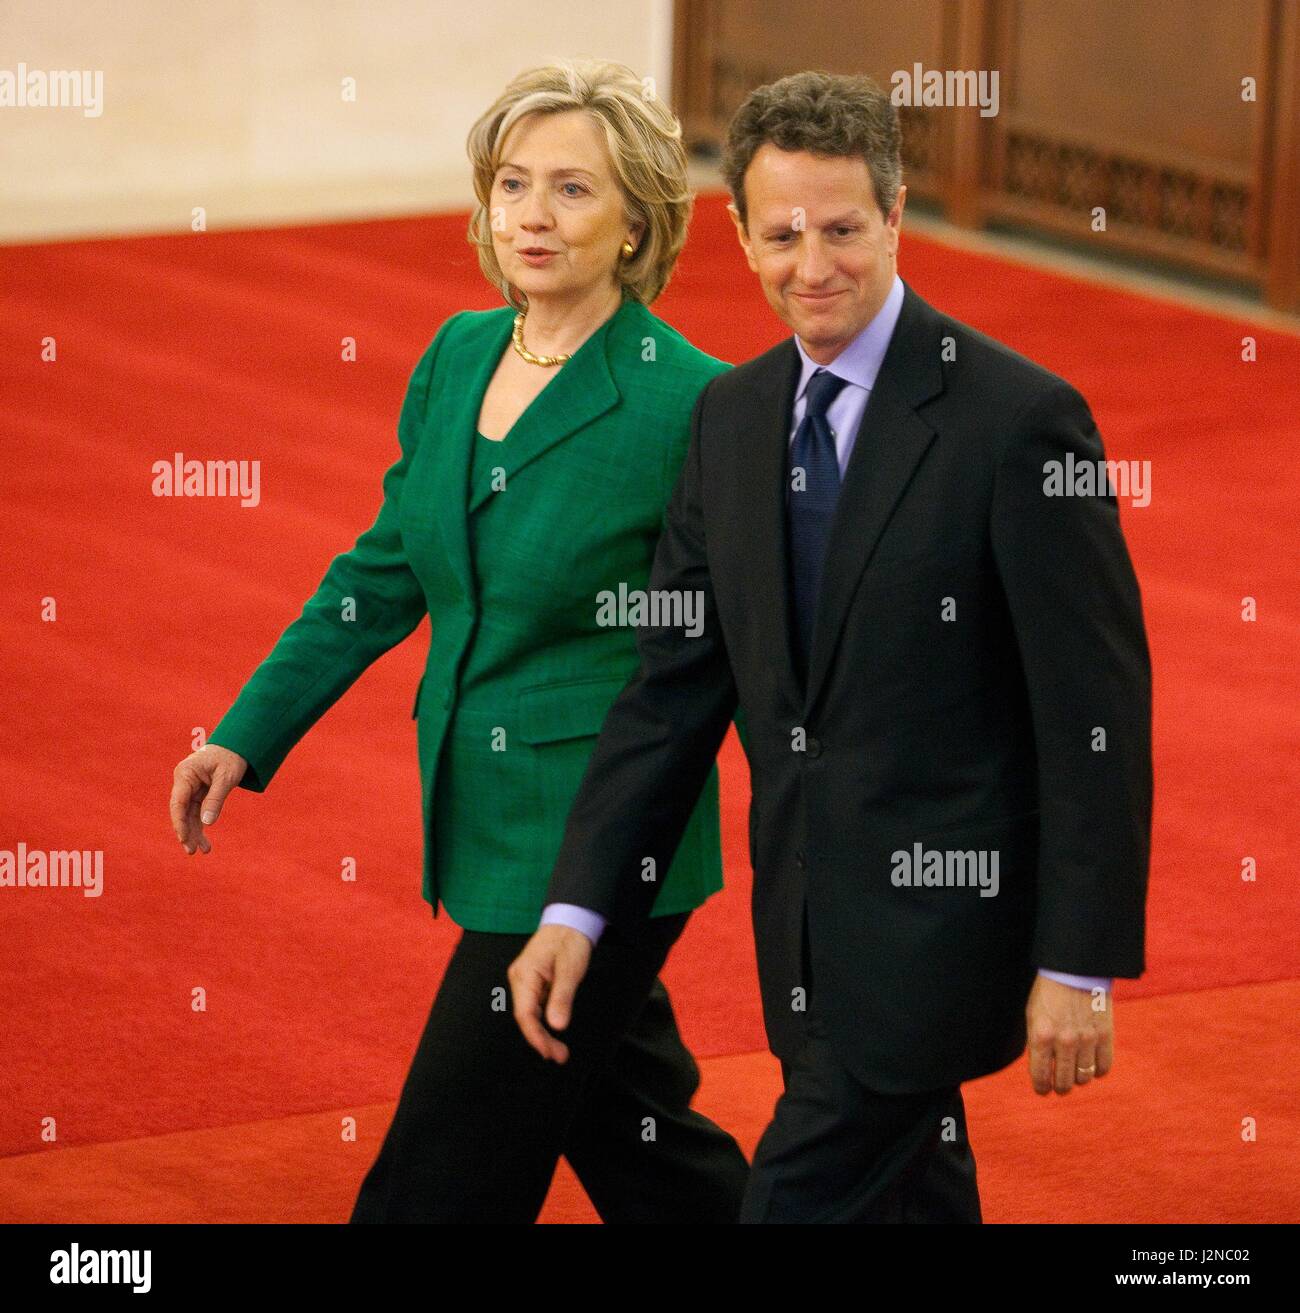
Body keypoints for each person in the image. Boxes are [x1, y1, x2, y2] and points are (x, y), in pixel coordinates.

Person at [509, 70, 1153, 1224]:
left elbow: (1094, 714)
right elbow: (669, 693)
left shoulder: (1017, 421)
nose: (813, 266)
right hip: (802, 929)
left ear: (898, 214)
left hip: (942, 937)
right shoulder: (732, 418)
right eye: (783, 233)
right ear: (741, 236)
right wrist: (578, 909)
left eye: (845, 230)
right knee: (911, 1198)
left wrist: (1079, 963)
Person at [168, 59, 749, 1224]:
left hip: (597, 838)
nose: (532, 215)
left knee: (449, 1159)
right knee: (628, 1125)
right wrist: (246, 731)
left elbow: (730, 640)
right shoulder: (457, 353)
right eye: (512, 184)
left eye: (573, 191)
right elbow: (388, 565)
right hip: (479, 811)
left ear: (639, 220)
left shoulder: (692, 403)